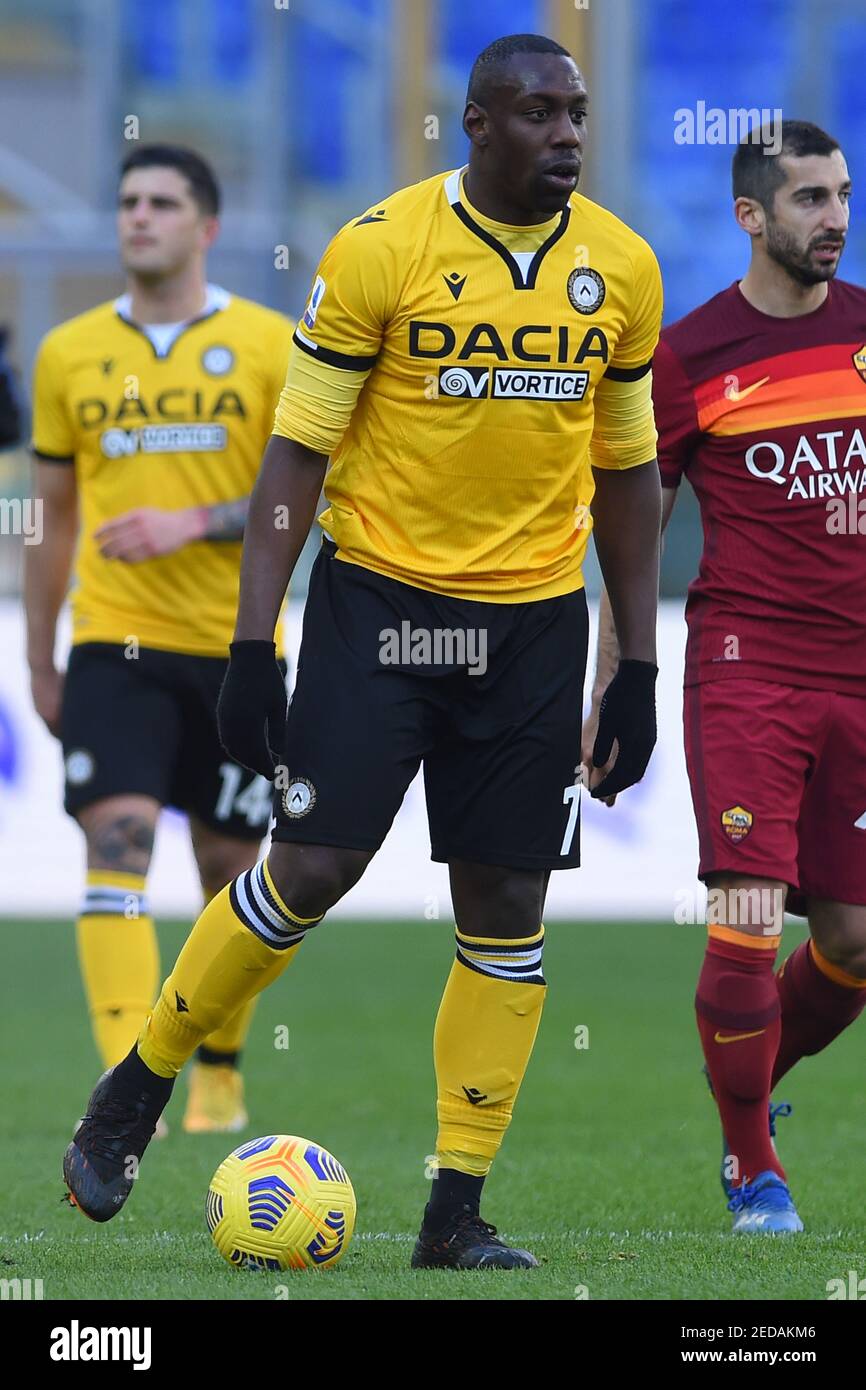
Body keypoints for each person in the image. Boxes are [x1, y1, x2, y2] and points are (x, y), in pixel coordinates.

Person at [64, 34, 662, 1269]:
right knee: (315, 866)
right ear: (476, 126)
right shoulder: (379, 247)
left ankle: (454, 1212)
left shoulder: (623, 267)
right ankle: (141, 1079)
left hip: (536, 624)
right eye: (539, 114)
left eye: (579, 114)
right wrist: (251, 640)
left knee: (506, 906)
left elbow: (628, 474)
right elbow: (297, 457)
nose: (566, 136)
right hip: (379, 607)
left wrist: (636, 660)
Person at [586, 121, 865, 1233]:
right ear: (749, 215)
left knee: (849, 941)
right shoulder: (689, 354)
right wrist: (620, 679)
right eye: (807, 199)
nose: (833, 217)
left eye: (841, 195)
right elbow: (632, 534)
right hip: (747, 672)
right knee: (746, 913)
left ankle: (736, 1070)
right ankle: (754, 1167)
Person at [27, 145, 293, 1134]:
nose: (137, 216)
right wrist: (40, 655)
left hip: (235, 648)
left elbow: (294, 499)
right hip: (112, 644)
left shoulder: (268, 344)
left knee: (231, 874)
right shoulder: (70, 353)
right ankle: (121, 1090)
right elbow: (53, 517)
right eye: (128, 201)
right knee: (118, 840)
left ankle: (218, 1068)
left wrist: (194, 521)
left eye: (162, 203)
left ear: (206, 227)